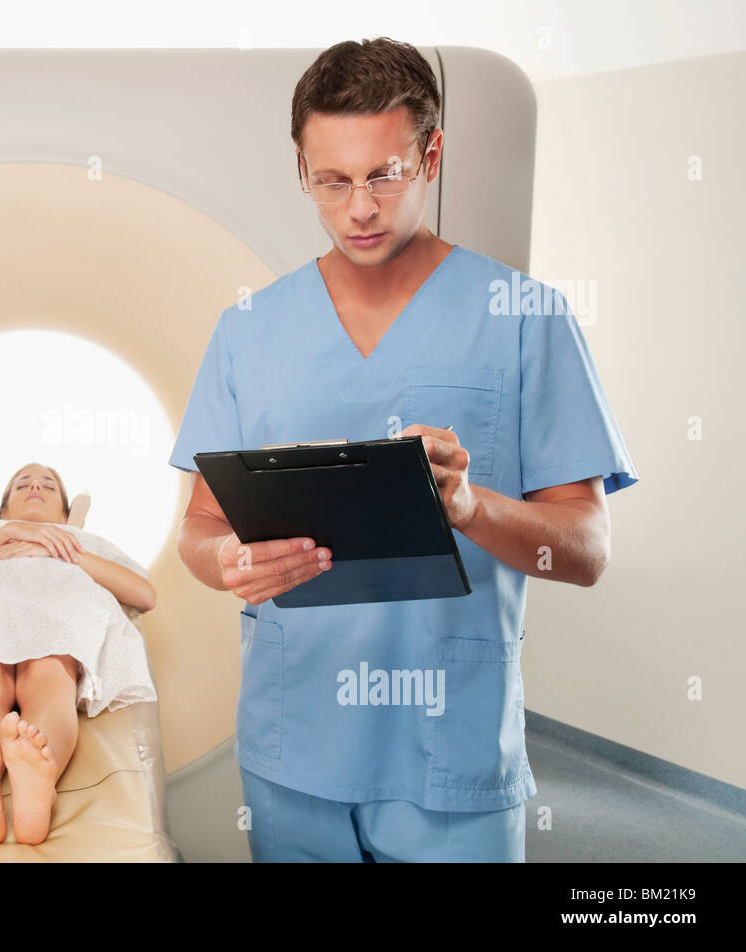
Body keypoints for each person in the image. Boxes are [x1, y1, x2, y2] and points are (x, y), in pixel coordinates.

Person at [169, 37, 638, 862]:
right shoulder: (249, 331)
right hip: (294, 744)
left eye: (384, 174)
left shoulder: (525, 317)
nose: (359, 208)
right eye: (332, 180)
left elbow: (588, 550)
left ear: (432, 155)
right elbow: (199, 531)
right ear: (302, 171)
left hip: (451, 751)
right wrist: (228, 565)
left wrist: (468, 506)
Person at [0, 462, 157, 846]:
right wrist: (0, 536)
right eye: (23, 483)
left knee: (51, 672)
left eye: (48, 485)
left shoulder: (81, 541)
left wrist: (57, 546)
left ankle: (38, 779)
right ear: (3, 509)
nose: (35, 485)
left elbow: (144, 595)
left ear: (66, 514)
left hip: (58, 603)